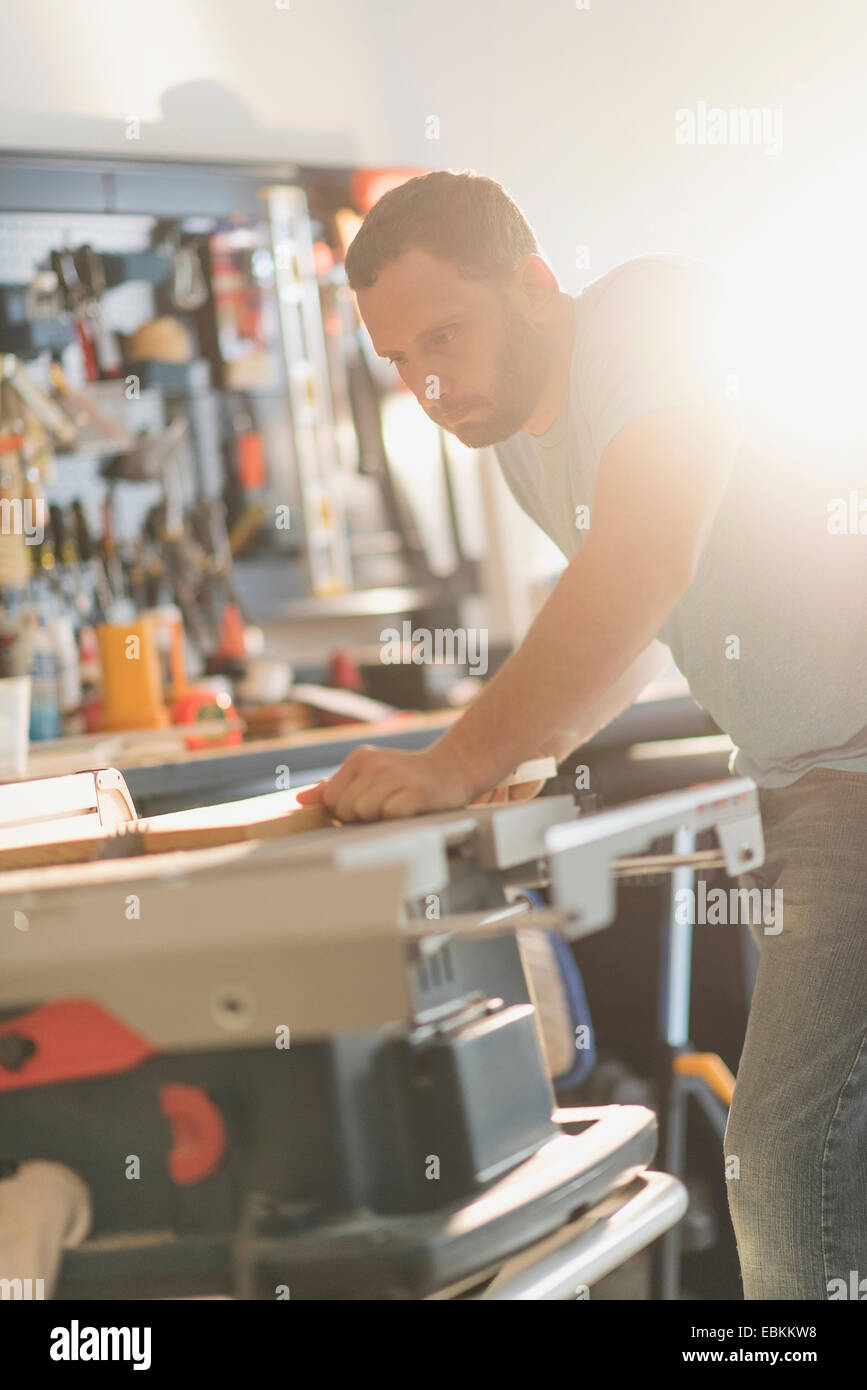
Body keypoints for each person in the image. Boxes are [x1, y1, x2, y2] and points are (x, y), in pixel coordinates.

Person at [297, 169, 867, 1299]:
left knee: (783, 1169)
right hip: (801, 790)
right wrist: (519, 757)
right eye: (400, 360)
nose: (426, 382)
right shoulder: (519, 441)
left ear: (537, 284)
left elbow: (646, 558)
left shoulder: (650, 319)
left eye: (444, 336)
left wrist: (461, 757)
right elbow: (658, 624)